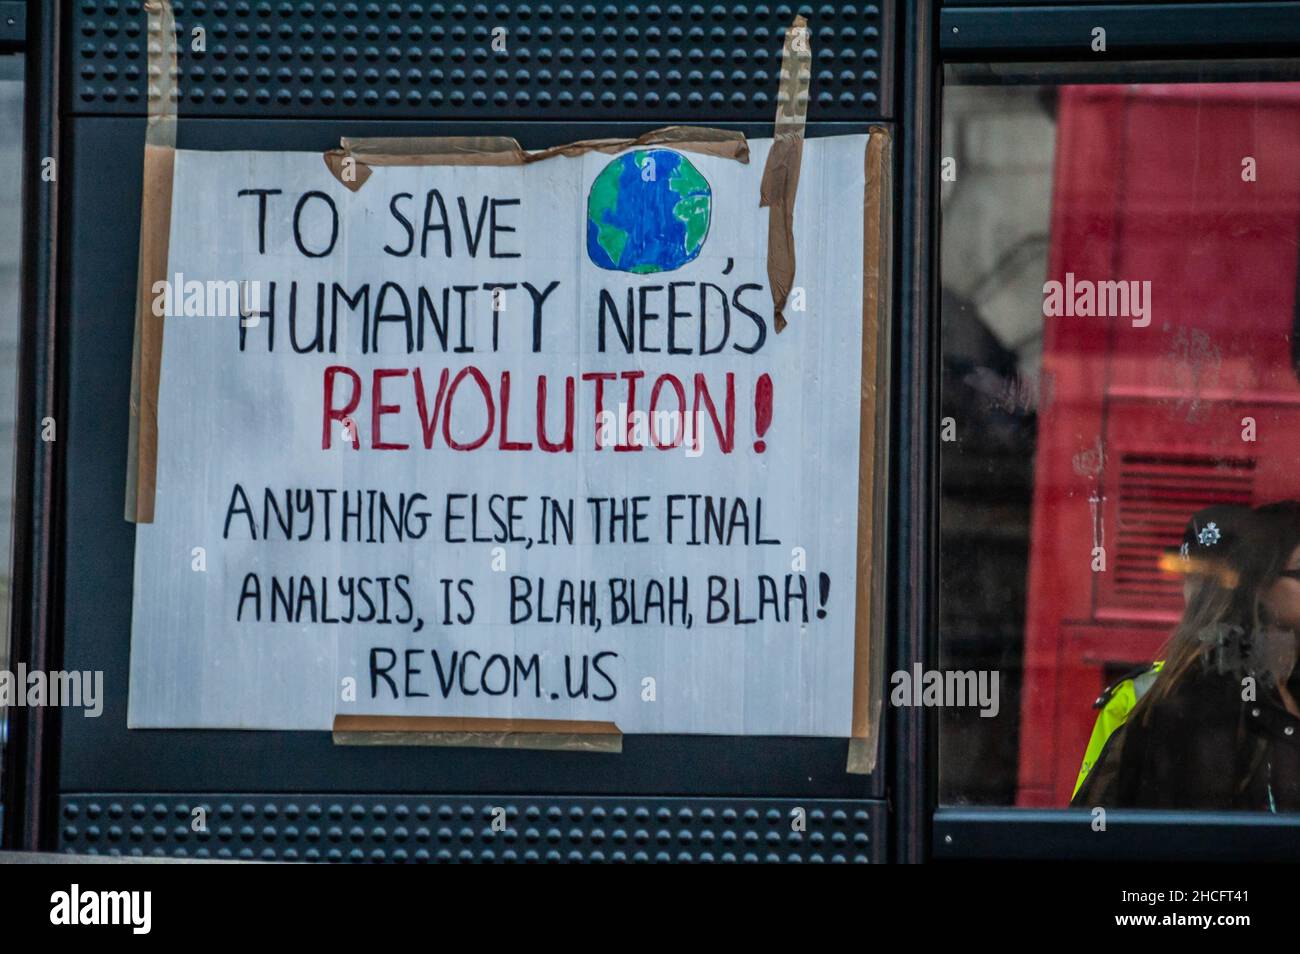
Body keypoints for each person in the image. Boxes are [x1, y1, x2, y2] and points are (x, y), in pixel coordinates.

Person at [1072, 502, 1300, 811]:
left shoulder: (1274, 685)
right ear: (1257, 585)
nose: (1199, 591)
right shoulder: (1196, 698)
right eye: (1190, 576)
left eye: (1209, 576)